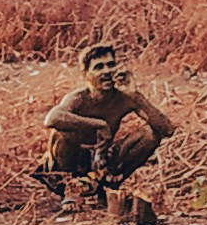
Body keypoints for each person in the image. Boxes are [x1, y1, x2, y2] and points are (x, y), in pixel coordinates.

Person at [35, 41, 173, 205]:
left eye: (111, 65)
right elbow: (51, 119)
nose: (107, 71)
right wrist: (99, 125)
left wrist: (136, 95)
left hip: (103, 163)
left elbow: (167, 129)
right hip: (70, 163)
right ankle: (70, 190)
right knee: (62, 133)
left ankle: (108, 186)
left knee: (151, 133)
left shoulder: (124, 97)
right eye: (99, 67)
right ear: (86, 74)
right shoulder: (78, 99)